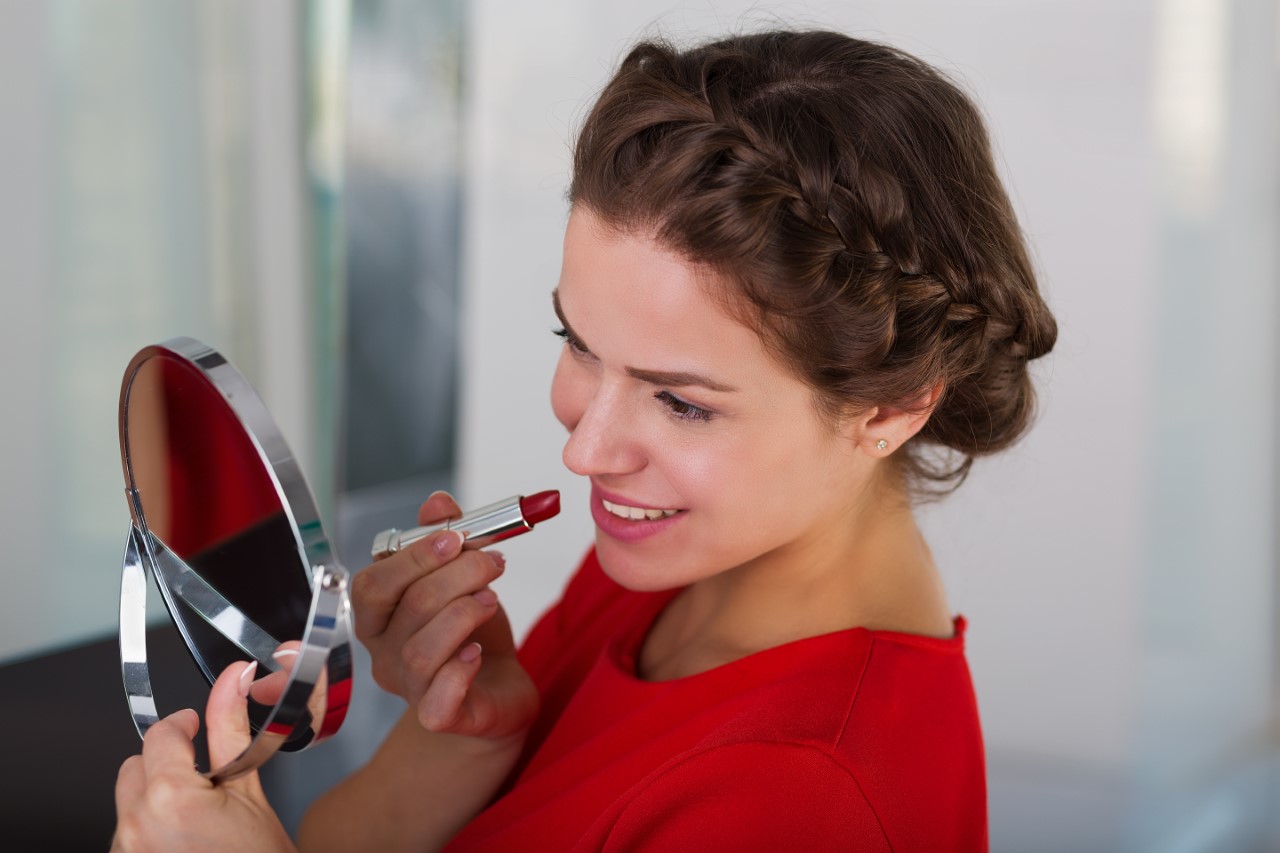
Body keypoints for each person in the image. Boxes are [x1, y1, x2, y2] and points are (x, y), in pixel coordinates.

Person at [112, 29, 1056, 852]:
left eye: (680, 402)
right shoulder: (666, 568)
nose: (587, 451)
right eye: (578, 342)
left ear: (892, 407)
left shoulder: (801, 801)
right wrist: (466, 740)